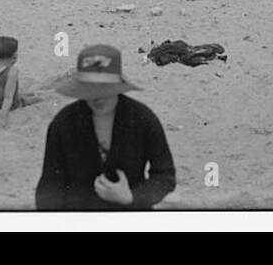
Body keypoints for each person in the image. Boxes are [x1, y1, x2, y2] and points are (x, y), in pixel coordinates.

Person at [35, 45, 176, 210]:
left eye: (104, 89)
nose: (97, 97)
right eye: (90, 90)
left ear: (118, 87)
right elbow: (50, 185)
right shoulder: (64, 123)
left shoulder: (142, 119)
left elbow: (165, 176)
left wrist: (133, 197)